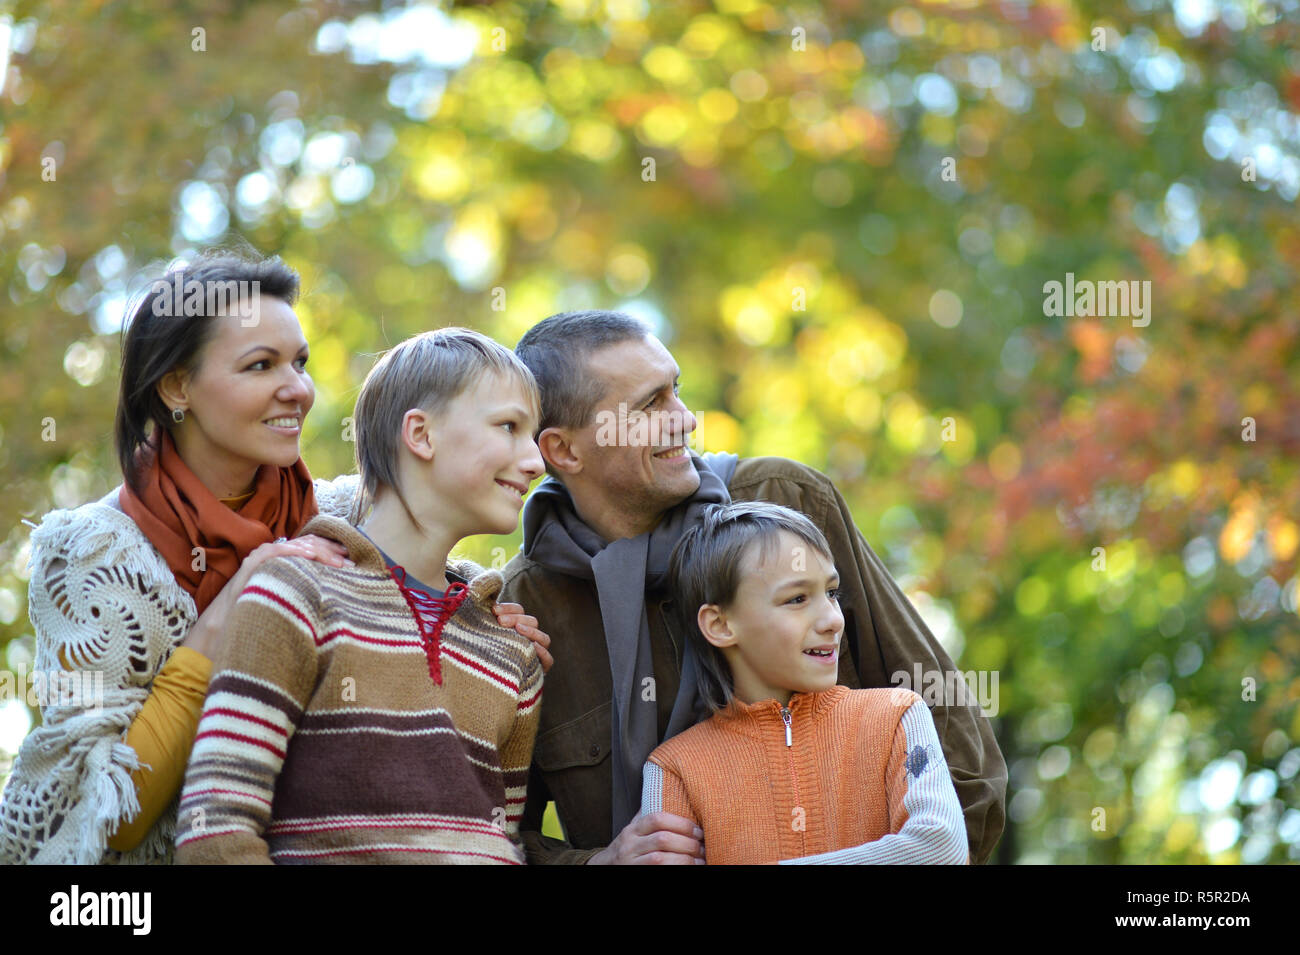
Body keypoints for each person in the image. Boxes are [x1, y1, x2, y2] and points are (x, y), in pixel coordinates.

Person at [0, 254, 547, 864]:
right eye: (261, 365)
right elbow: (105, 813)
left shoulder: (343, 511)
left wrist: (481, 611)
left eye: (300, 362)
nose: (299, 389)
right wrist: (221, 621)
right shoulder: (97, 554)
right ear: (177, 387)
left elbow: (414, 556)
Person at [501, 309, 1006, 865]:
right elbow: (485, 836)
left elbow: (961, 751)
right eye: (651, 405)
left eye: (677, 391)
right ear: (565, 451)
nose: (686, 420)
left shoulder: (785, 503)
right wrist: (599, 864)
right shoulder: (523, 612)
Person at [174, 328, 546, 864]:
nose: (534, 461)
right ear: (421, 435)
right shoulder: (297, 595)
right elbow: (216, 834)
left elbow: (497, 842)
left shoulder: (512, 650)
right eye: (509, 427)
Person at [640, 501, 968, 865]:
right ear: (720, 625)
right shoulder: (673, 769)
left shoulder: (897, 716)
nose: (832, 619)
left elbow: (942, 849)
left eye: (831, 593)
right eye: (797, 598)